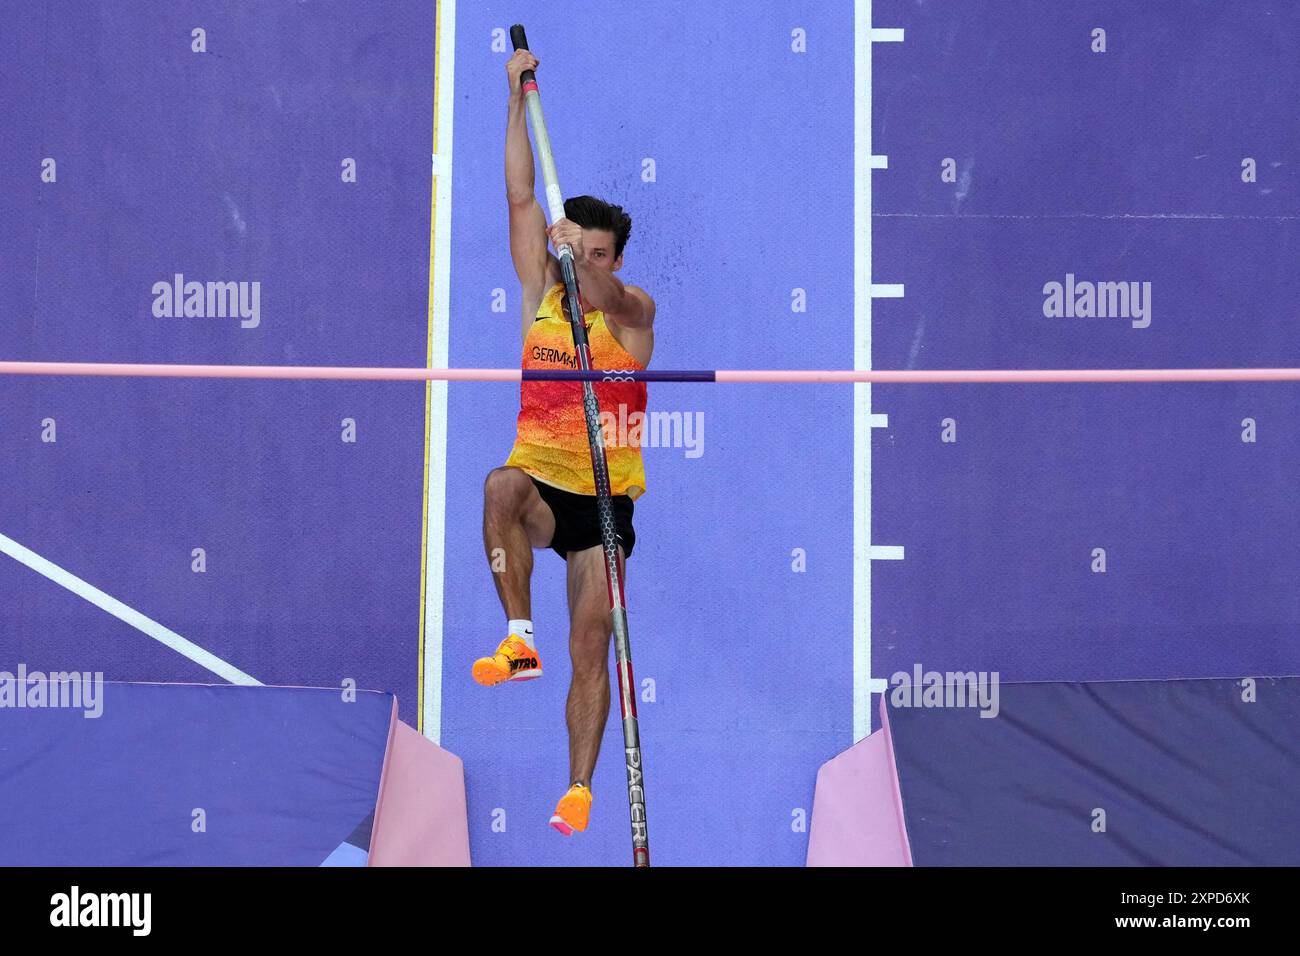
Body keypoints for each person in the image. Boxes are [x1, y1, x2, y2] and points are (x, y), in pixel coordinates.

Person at [473, 48, 657, 837]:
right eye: (580, 251)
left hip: (604, 505)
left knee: (592, 642)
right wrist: (516, 101)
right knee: (499, 487)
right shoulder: (542, 296)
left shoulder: (632, 315)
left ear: (614, 259)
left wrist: (584, 262)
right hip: (545, 489)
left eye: (600, 253)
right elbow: (520, 195)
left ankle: (578, 789)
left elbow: (616, 297)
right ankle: (518, 640)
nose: (587, 263)